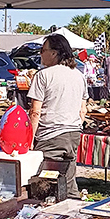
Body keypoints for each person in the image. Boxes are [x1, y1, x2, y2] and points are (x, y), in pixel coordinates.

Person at [28, 34, 88, 199]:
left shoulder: (43, 75)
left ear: (54, 53)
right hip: (73, 133)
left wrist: (29, 139)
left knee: (46, 186)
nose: (40, 54)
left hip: (51, 136)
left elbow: (35, 112)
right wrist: (73, 125)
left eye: (43, 50)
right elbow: (83, 110)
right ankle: (73, 207)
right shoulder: (79, 75)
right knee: (68, 177)